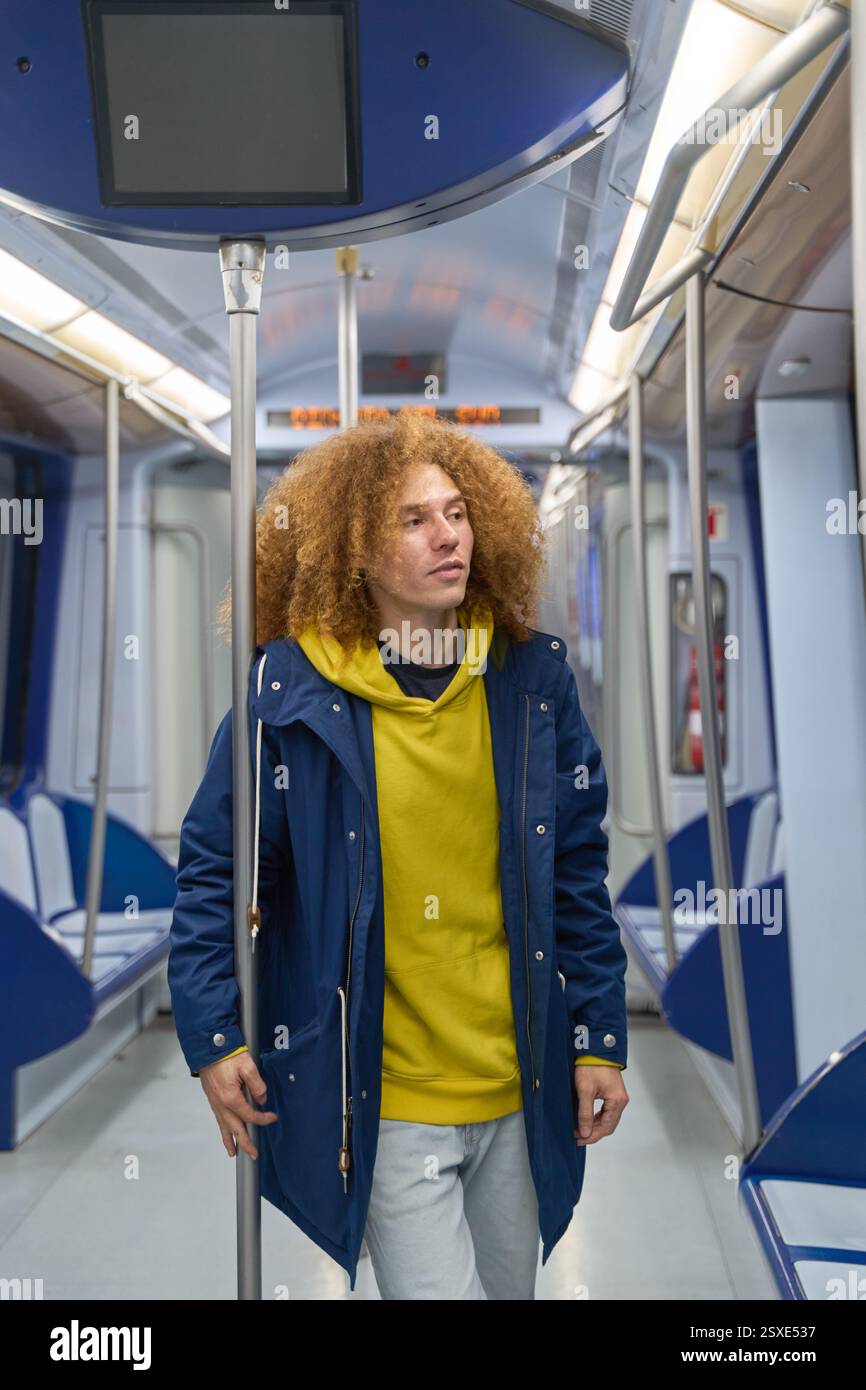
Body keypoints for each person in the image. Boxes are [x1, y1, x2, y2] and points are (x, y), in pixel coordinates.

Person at [168, 412, 629, 1300]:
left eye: (456, 512)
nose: (448, 535)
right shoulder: (287, 700)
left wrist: (597, 1035)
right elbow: (217, 876)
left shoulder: (529, 684)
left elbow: (576, 871)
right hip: (383, 1099)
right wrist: (213, 1033)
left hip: (518, 1080)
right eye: (413, 520)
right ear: (353, 554)